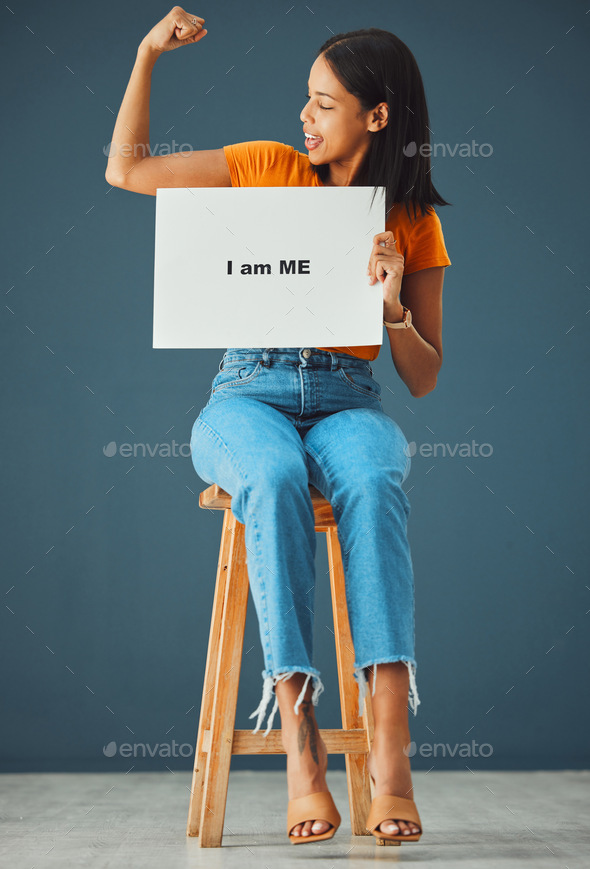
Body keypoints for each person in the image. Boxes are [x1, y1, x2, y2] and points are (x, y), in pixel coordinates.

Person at [105, 7, 452, 846]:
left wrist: (393, 304)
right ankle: (302, 750)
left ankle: (392, 755)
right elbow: (126, 171)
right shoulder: (265, 165)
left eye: (323, 102)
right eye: (305, 98)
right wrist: (149, 55)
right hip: (246, 395)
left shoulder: (409, 218)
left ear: (377, 115)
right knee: (273, 477)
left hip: (347, 397)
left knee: (373, 475)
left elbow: (424, 375)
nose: (303, 116)